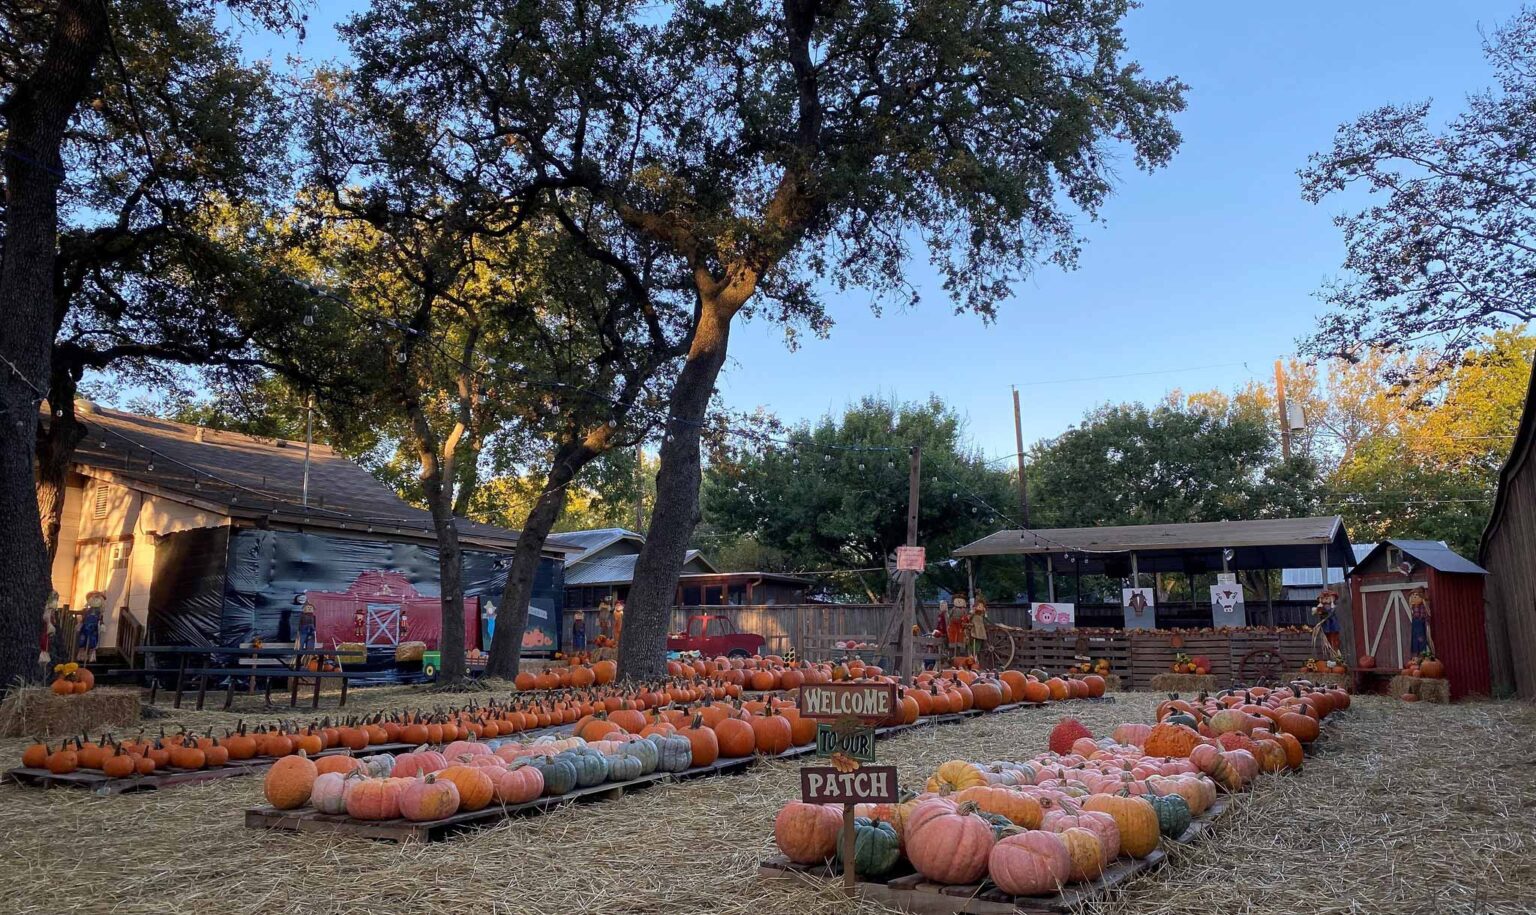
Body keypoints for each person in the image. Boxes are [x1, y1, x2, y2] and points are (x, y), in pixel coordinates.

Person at [77, 591, 105, 664]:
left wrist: (102, 625)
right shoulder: (87, 610)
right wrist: (80, 622)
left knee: (93, 641)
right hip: (85, 626)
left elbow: (100, 619)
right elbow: (83, 618)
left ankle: (91, 657)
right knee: (83, 640)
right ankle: (82, 656)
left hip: (93, 628)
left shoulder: (99, 612)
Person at [1409, 587, 1433, 656]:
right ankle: (1416, 654)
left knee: (1421, 638)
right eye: (1413, 595)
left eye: (1416, 594)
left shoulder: (1424, 603)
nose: (1414, 596)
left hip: (1420, 621)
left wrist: (1426, 621)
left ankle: (1423, 653)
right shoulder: (1414, 604)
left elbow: (1426, 613)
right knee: (1415, 638)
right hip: (1415, 621)